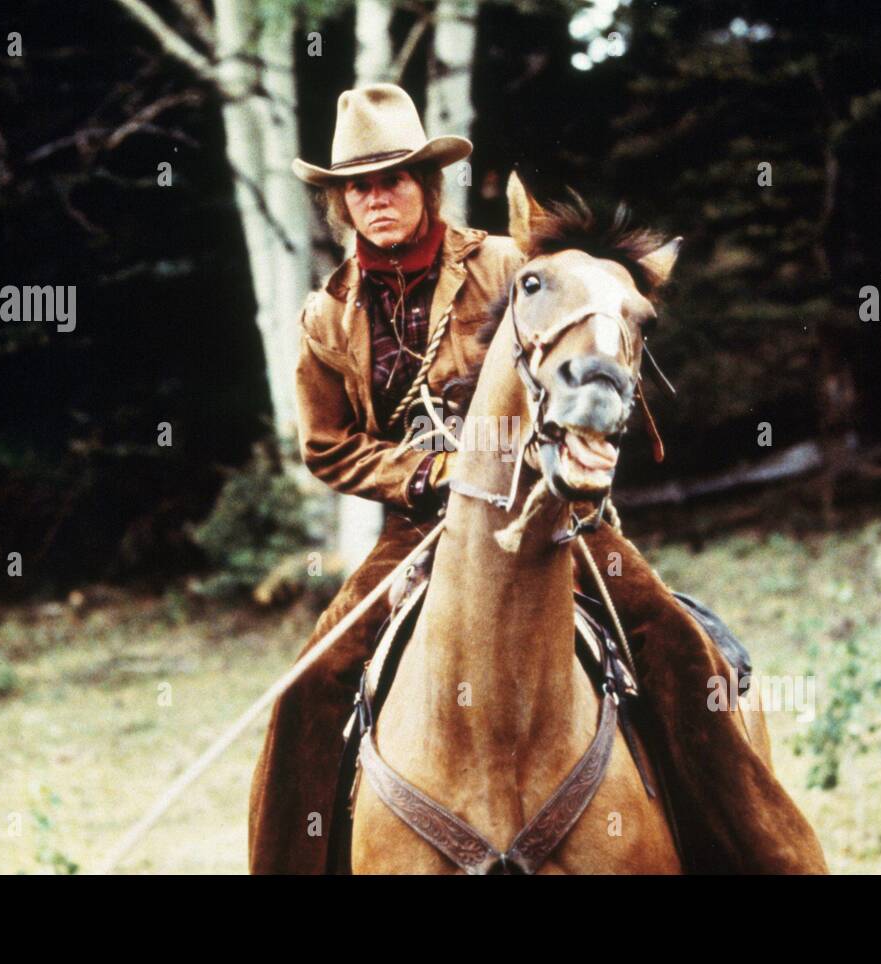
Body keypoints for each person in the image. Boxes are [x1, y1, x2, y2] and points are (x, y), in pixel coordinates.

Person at [248, 83, 826, 874]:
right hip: (415, 533)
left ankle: (762, 856)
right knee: (307, 691)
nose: (376, 197)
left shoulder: (508, 266)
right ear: (342, 201)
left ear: (426, 184)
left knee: (677, 646)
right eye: (359, 185)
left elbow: (592, 317)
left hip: (551, 510)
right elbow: (329, 447)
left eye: (393, 179)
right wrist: (430, 474)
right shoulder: (328, 316)